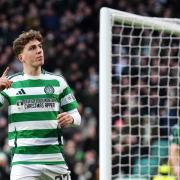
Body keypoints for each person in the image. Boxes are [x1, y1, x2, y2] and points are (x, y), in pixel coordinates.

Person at [0, 29, 81, 180]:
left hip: (55, 159)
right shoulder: (10, 84)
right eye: (32, 48)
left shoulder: (58, 81)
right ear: (21, 57)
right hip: (24, 163)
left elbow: (77, 116)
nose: (39, 51)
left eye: (40, 46)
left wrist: (70, 119)